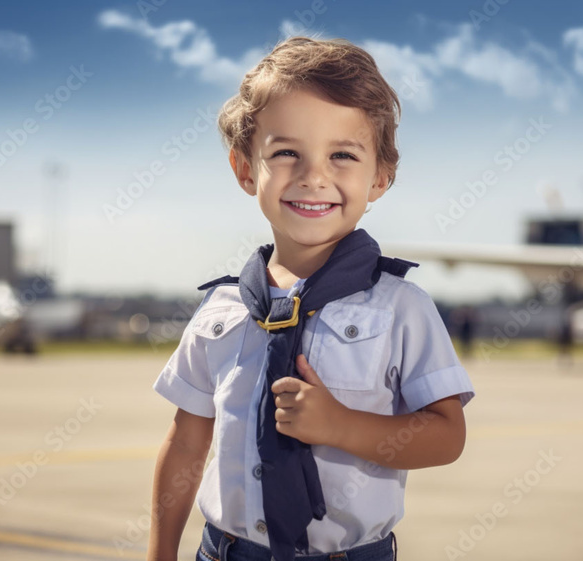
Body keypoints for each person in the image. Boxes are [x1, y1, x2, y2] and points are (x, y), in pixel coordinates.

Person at [147, 36, 475, 561]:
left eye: (342, 155)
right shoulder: (221, 310)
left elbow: (447, 437)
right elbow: (186, 443)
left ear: (380, 177)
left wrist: (341, 425)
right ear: (245, 169)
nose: (314, 176)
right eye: (286, 153)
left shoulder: (401, 308)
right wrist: (160, 554)